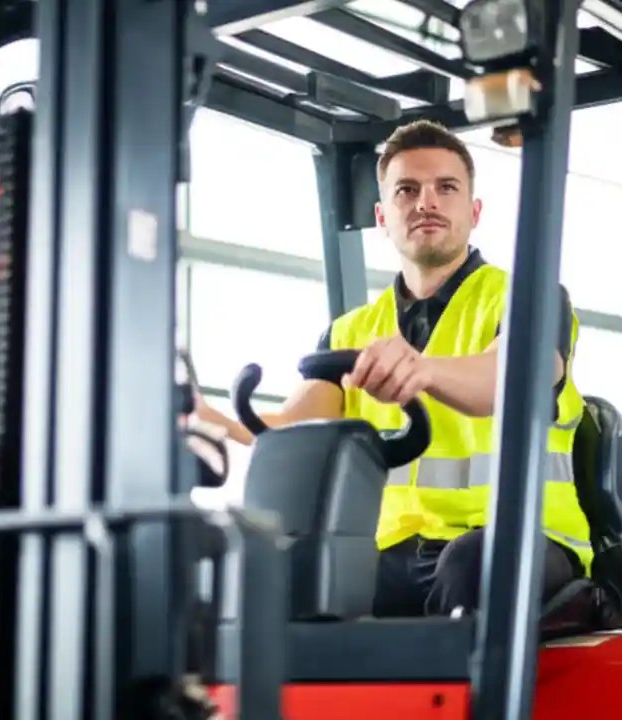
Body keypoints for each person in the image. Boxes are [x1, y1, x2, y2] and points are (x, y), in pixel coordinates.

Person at [194, 119, 592, 617]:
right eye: (407, 190)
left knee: (474, 567)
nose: (426, 202)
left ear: (474, 211)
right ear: (383, 216)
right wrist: (213, 420)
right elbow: (290, 428)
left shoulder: (526, 296)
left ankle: (471, 696)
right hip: (394, 549)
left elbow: (515, 378)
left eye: (446, 188)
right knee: (295, 578)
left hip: (519, 537)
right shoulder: (350, 331)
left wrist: (421, 370)